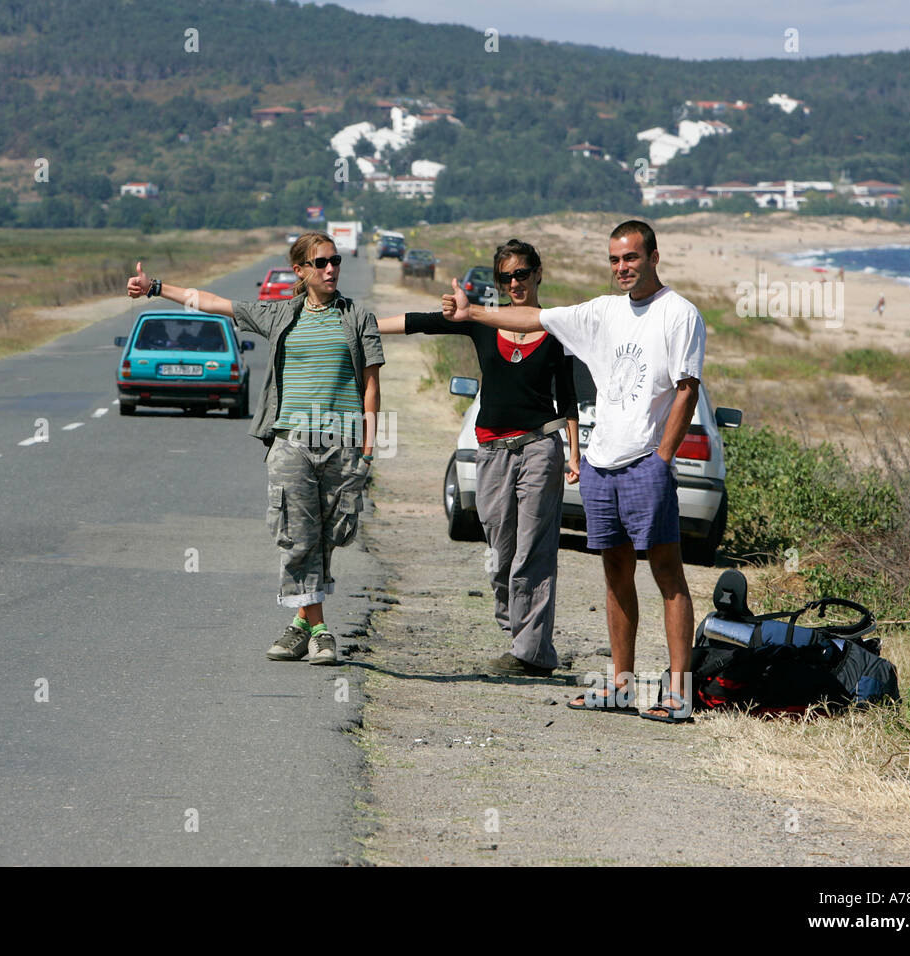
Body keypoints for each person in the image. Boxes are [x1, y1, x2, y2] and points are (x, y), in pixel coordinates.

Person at [443, 220, 704, 723]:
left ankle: (678, 692)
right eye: (614, 260)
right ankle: (623, 687)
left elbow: (686, 390)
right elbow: (537, 316)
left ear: (653, 256)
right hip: (602, 465)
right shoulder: (602, 311)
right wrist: (472, 311)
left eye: (631, 257)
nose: (622, 268)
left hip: (646, 464)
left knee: (668, 574)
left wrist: (664, 459)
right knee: (615, 576)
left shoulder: (679, 313)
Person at [126, 232, 384, 665]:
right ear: (300, 270)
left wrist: (369, 448)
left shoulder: (358, 317)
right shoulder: (280, 314)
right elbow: (212, 302)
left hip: (341, 443)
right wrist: (156, 288)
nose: (331, 269)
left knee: (331, 536)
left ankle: (300, 626)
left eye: (334, 261)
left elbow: (372, 384)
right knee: (297, 536)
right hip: (291, 441)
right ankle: (321, 632)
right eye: (320, 263)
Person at [375, 239, 580, 677]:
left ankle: (533, 651)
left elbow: (569, 399)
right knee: (501, 546)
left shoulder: (556, 327)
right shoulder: (482, 322)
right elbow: (422, 323)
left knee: (534, 549)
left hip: (540, 446)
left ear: (538, 274)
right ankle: (518, 629)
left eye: (522, 274)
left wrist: (575, 454)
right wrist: (364, 326)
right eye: (505, 277)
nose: (514, 283)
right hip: (491, 451)